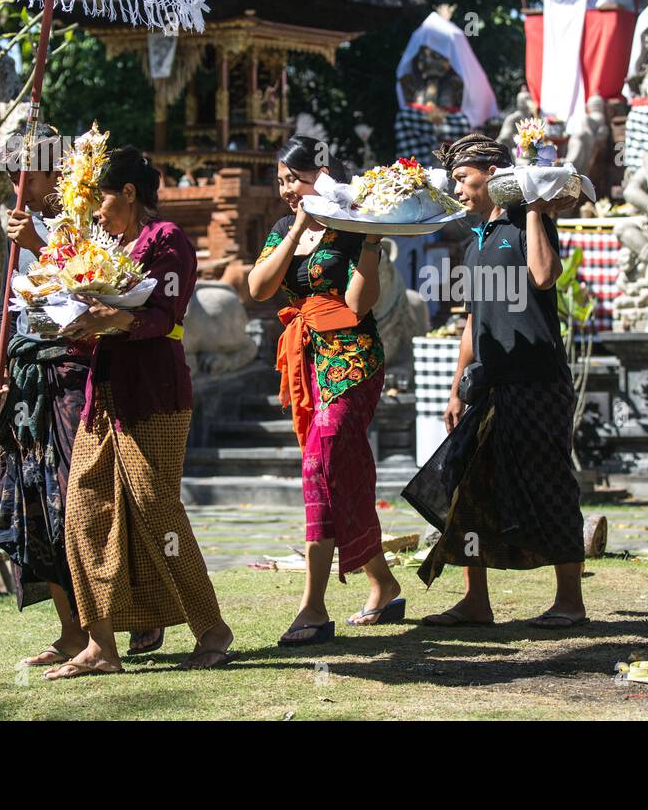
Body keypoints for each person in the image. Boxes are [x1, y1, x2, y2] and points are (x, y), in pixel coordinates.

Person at [45, 147, 233, 678]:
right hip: (102, 394)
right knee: (81, 510)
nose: (97, 212)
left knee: (157, 511)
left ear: (129, 193)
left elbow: (163, 316)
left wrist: (111, 319)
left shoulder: (166, 240)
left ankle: (213, 630)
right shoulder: (107, 245)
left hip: (154, 394)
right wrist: (75, 321)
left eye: (103, 199)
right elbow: (100, 320)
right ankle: (101, 646)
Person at [402, 133, 588, 629]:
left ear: (493, 173)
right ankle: (475, 601)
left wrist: (528, 205)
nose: (458, 188)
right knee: (465, 482)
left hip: (537, 379)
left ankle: (570, 600)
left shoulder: (531, 221)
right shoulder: (473, 242)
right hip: (486, 384)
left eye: (464, 178)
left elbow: (546, 277)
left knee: (549, 481)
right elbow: (472, 321)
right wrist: (455, 386)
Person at [247, 135, 401, 646]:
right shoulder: (280, 228)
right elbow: (259, 288)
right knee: (337, 468)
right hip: (305, 357)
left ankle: (311, 606)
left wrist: (372, 240)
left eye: (299, 178)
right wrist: (296, 226)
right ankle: (382, 582)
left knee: (321, 459)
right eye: (284, 180)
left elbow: (360, 303)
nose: (290, 188)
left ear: (325, 174)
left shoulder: (354, 222)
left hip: (353, 357)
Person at [0, 125, 91, 667]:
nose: (18, 190)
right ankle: (71, 630)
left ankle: (116, 625)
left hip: (74, 375)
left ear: (57, 172)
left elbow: (93, 287)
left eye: (28, 176)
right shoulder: (15, 227)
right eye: (11, 179)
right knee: (33, 502)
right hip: (26, 377)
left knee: (77, 501)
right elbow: (13, 308)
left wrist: (40, 245)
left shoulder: (85, 217)